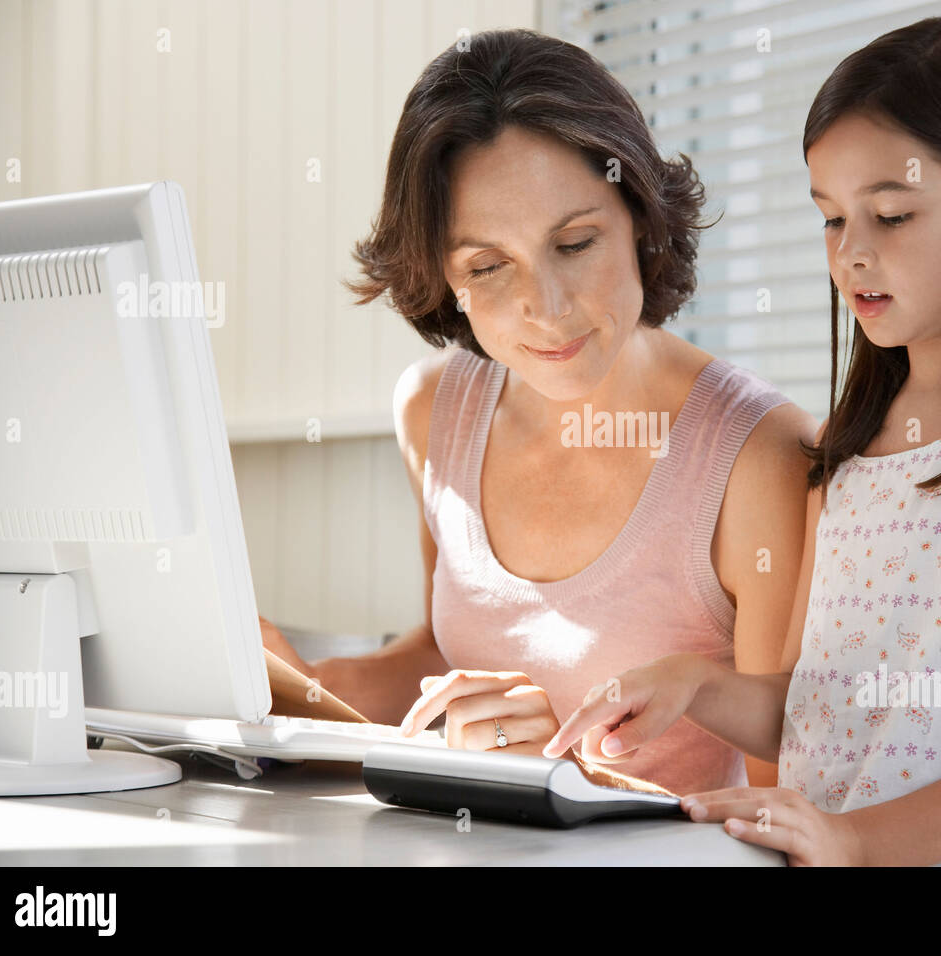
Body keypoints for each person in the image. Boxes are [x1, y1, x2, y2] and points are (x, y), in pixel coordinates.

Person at [546, 12, 941, 865]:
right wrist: (697, 686)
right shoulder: (843, 448)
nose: (851, 255)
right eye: (831, 219)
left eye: (892, 216)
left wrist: (855, 840)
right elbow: (813, 702)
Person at [261, 29, 815, 795]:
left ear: (640, 217)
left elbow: (782, 809)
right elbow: (451, 659)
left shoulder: (762, 455)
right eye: (488, 267)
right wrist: (305, 682)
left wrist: (566, 783)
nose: (546, 309)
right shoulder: (434, 411)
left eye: (577, 242)